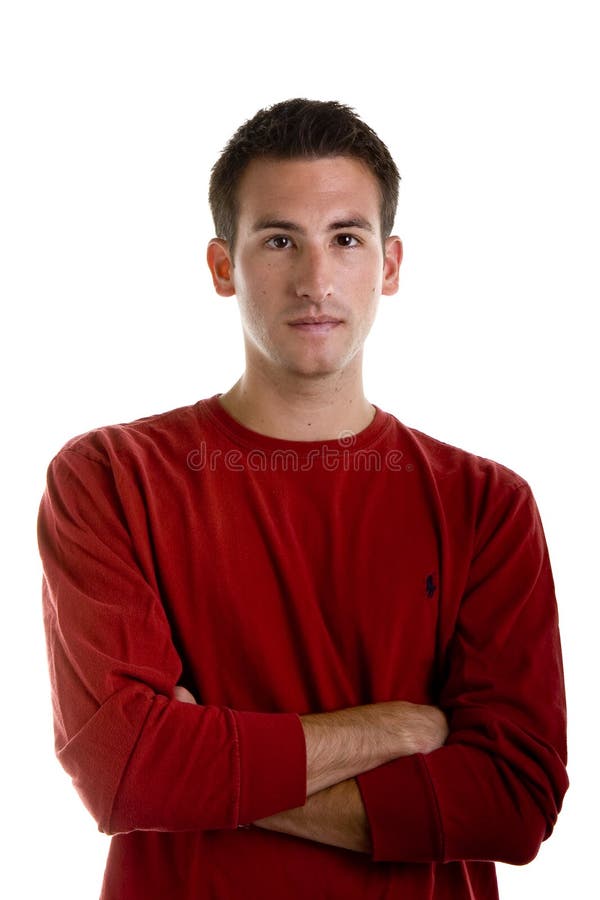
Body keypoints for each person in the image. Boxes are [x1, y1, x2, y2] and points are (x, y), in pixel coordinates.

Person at [37, 98, 568, 900]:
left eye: (346, 239)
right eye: (280, 240)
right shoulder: (111, 478)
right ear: (225, 267)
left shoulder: (487, 505)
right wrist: (400, 730)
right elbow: (125, 770)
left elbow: (516, 802)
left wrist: (210, 774)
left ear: (389, 265)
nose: (316, 280)